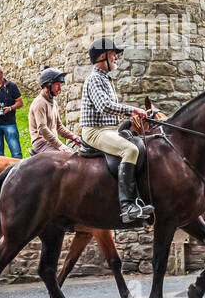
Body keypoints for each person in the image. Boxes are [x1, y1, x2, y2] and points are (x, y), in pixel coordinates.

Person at [79, 38, 153, 223]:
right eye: (113, 54)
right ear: (103, 56)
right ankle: (127, 206)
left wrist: (130, 119)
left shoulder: (104, 79)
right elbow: (104, 106)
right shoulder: (95, 78)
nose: (116, 58)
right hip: (95, 131)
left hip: (108, 128)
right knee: (130, 150)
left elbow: (110, 110)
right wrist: (132, 109)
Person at [29, 67, 83, 155]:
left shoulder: (53, 102)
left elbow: (59, 126)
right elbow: (42, 128)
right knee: (67, 158)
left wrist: (73, 136)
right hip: (41, 143)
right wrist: (60, 145)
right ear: (47, 85)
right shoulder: (40, 103)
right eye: (57, 85)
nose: (60, 88)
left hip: (51, 142)